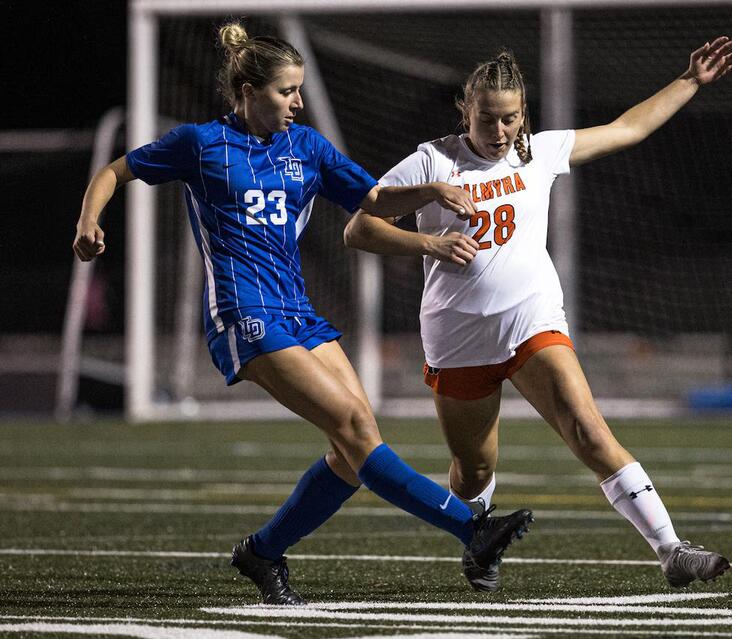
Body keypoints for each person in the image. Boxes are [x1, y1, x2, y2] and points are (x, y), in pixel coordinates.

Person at [72, 23, 535, 603]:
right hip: (244, 313)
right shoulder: (200, 143)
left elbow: (373, 199)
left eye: (299, 90)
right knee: (355, 429)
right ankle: (471, 529)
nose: (297, 102)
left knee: (352, 452)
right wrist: (89, 219)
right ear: (248, 91)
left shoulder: (306, 148)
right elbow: (115, 171)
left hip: (298, 309)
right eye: (286, 91)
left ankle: (262, 553)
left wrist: (433, 191)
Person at [343, 39, 732, 590]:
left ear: (523, 113)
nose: (499, 130)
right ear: (465, 110)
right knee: (474, 471)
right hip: (457, 336)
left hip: (532, 321)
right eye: (487, 118)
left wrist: (690, 80)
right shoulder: (433, 161)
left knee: (587, 428)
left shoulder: (539, 152)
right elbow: (359, 228)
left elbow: (628, 128)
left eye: (510, 118)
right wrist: (428, 244)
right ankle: (478, 540)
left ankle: (671, 549)